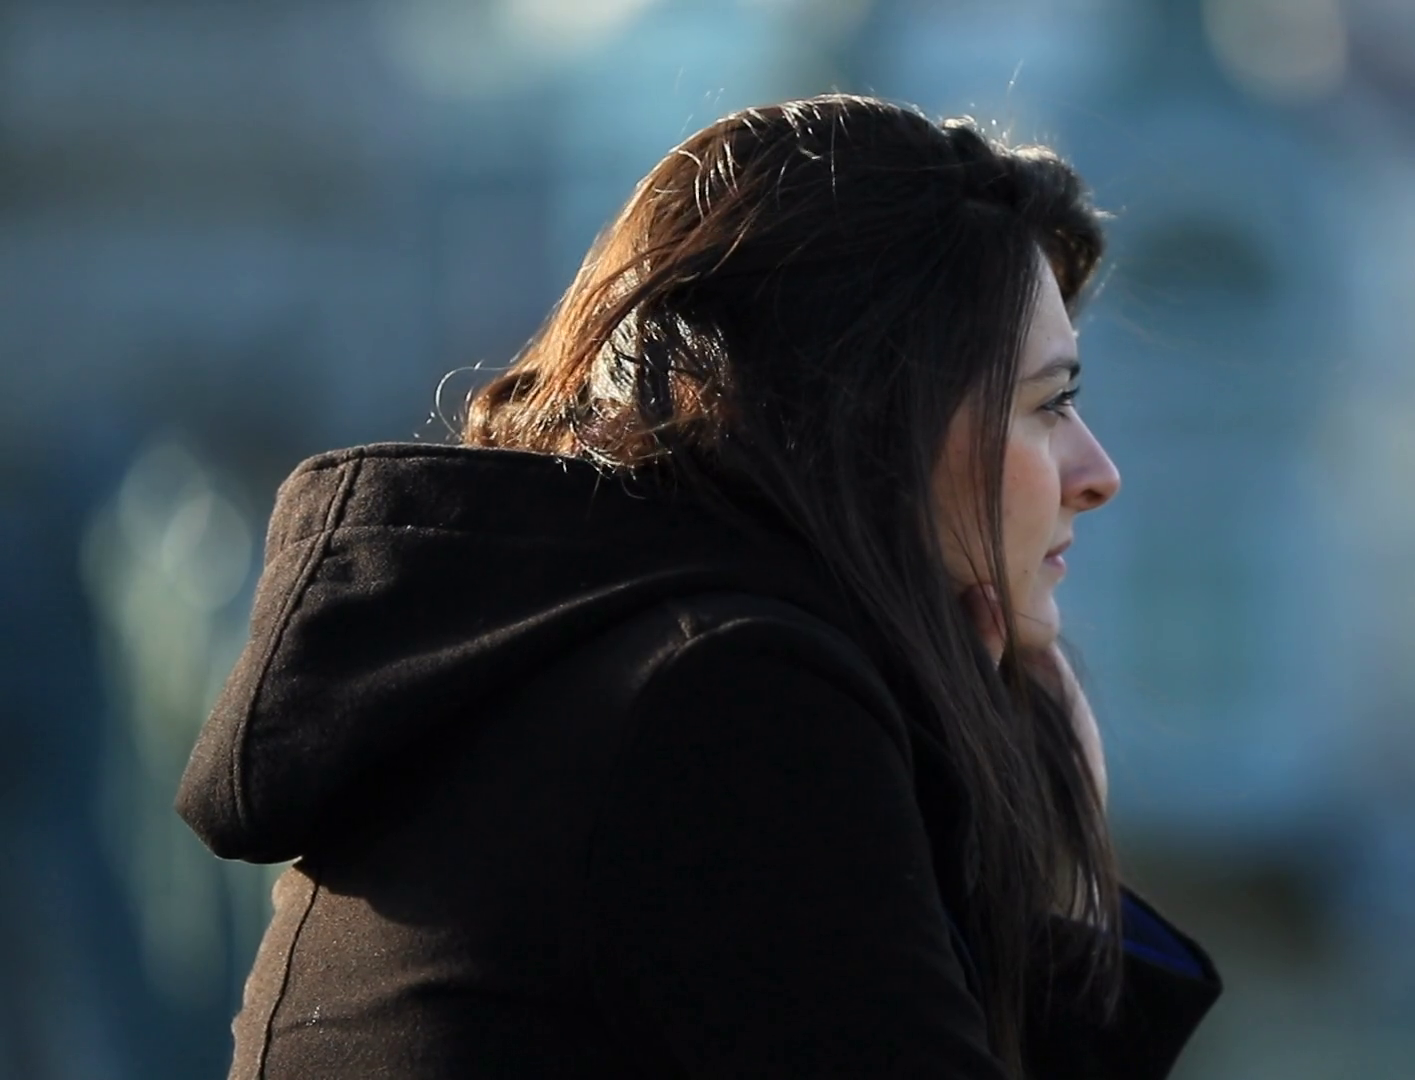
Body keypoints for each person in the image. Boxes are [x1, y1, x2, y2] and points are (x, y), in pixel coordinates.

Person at [176, 93, 1221, 1079]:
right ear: (873, 417)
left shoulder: (595, 667)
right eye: (1049, 404)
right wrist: (1059, 880)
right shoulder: (728, 697)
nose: (1098, 473)